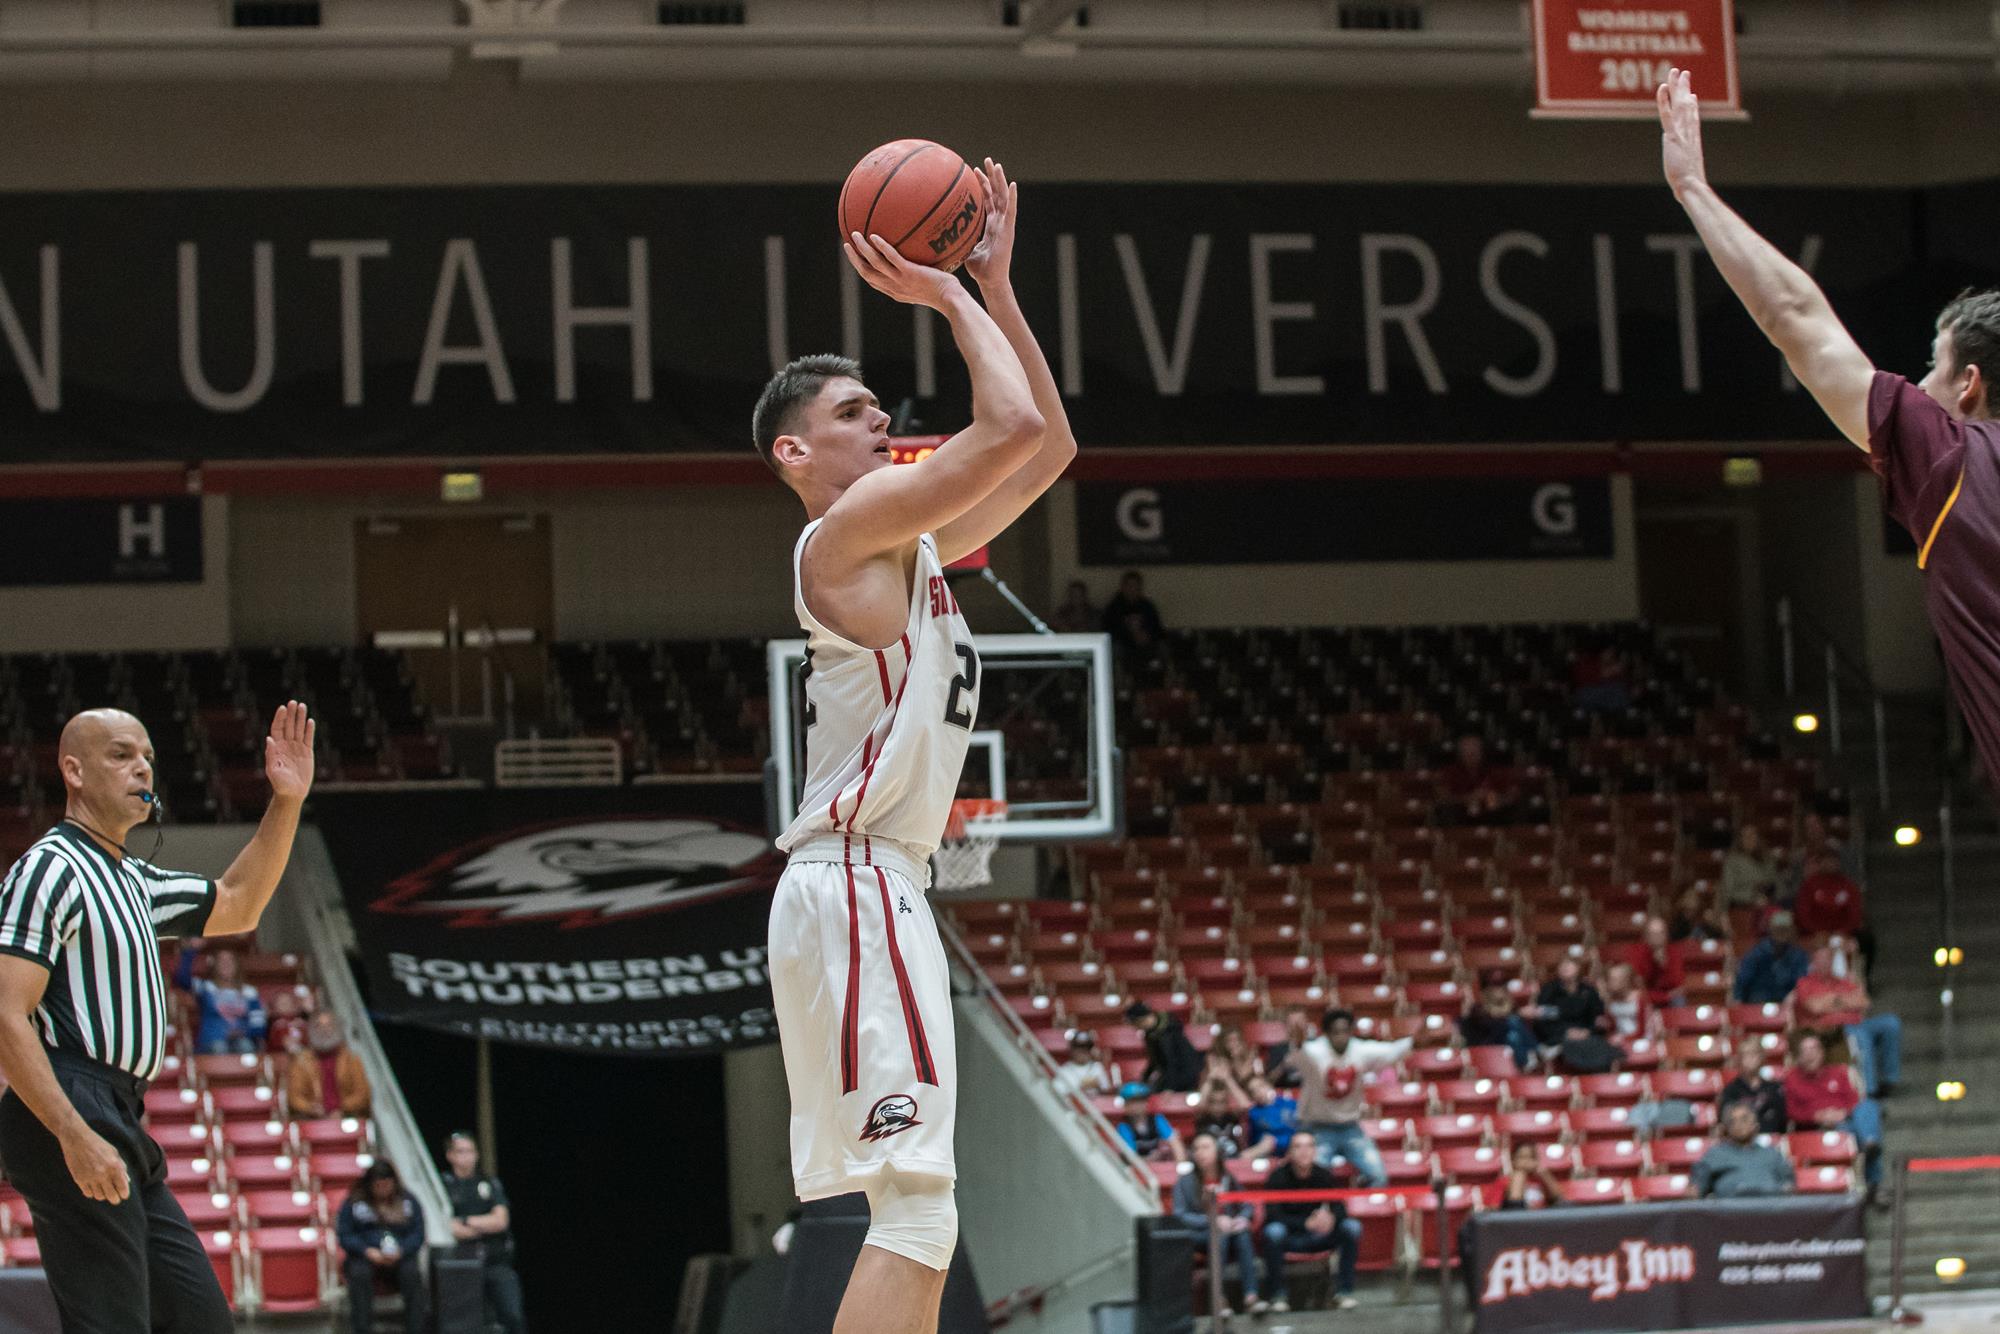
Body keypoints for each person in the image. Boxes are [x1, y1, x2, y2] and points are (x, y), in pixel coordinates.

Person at [758, 160, 1073, 1333]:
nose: (879, 418)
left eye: (877, 406)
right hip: (852, 880)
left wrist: (992, 282)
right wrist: (947, 294)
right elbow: (1007, 422)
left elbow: (1045, 447)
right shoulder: (840, 540)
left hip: (881, 883)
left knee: (919, 1212)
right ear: (794, 456)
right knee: (914, 1210)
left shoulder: (916, 551)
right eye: (849, 413)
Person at [1659, 68, 2000, 805]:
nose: (1921, 386)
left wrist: (1693, 188)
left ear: (1969, 386)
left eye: (1932, 369)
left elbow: (1795, 318)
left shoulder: (1952, 458)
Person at [0, 703, 314, 1334]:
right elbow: (6, 1014)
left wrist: (287, 800)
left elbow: (239, 903)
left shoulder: (133, 880)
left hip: (119, 1109)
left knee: (200, 1320)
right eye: (120, 755)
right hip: (70, 1099)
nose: (141, 767)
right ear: (74, 771)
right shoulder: (49, 868)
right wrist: (72, 1133)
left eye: (146, 756)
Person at [1285, 1008, 1411, 1185]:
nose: (1341, 1037)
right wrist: (1297, 1038)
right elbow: (1300, 1053)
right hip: (1317, 1128)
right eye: (1335, 1032)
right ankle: (1322, 1212)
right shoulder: (1316, 1050)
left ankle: (1361, 1210)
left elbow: (1392, 1051)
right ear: (1327, 1034)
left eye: (1345, 1031)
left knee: (1379, 1177)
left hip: (1350, 1128)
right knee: (1311, 1178)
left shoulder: (1360, 1049)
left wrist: (1415, 1041)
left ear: (1351, 1032)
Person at [1256, 1131, 1362, 1314]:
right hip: (1290, 1237)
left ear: (1315, 1151)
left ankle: (1344, 1292)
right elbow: (1272, 1215)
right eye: (1298, 1146)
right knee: (1273, 1232)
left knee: (1352, 1227)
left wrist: (1331, 1219)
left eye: (1309, 1146)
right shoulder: (1277, 1178)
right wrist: (1305, 1224)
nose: (1304, 1151)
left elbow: (1340, 1208)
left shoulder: (1324, 1175)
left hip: (1320, 1235)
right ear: (1289, 1152)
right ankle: (1278, 1295)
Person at [441, 1131, 527, 1334]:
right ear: (450, 1156)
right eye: (461, 1151)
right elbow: (449, 1228)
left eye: (471, 1151)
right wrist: (483, 1225)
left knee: (513, 1315)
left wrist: (466, 1220)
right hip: (459, 1265)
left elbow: (500, 1221)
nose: (467, 1156)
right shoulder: (443, 1185)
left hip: (496, 1262)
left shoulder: (489, 1183)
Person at [1171, 1132, 1263, 1317]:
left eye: (1206, 1147)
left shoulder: (1227, 1177)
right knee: (1218, 1236)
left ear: (1217, 1151)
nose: (1200, 1152)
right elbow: (1179, 1215)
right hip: (1200, 1234)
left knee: (1243, 1233)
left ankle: (1251, 1296)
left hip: (1229, 1232)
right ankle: (1218, 1299)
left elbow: (1246, 1204)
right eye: (1196, 1148)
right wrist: (1212, 1221)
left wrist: (1241, 1219)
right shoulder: (1185, 1181)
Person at [1783, 1033, 1884, 1195]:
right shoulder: (1791, 1078)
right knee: (1851, 1134)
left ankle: (1870, 1144)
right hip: (1813, 1128)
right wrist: (1817, 1116)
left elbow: (1853, 1100)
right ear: (1799, 1056)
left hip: (1845, 1120)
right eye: (1805, 1050)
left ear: (1822, 1053)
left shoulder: (1839, 1072)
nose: (1810, 1054)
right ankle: (1871, 1183)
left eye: (1814, 1049)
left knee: (1868, 1107)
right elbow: (1791, 1111)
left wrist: (1841, 1113)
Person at [1792, 948, 1902, 1097]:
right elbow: (1815, 1007)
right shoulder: (1805, 983)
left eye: (1828, 959)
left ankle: (1889, 1079)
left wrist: (1830, 1001)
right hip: (1828, 1029)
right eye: (1821, 959)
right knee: (1860, 1035)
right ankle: (1869, 1091)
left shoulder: (1843, 981)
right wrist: (1846, 1000)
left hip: (1856, 1023)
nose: (1825, 963)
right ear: (1813, 962)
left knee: (1891, 1023)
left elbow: (1864, 1002)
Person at [336, 1159, 429, 1334]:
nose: (383, 1189)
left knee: (412, 1273)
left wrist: (402, 1250)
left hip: (400, 1256)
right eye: (378, 1185)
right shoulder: (355, 1202)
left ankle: (415, 1329)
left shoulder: (408, 1201)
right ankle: (362, 1329)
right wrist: (366, 1251)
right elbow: (344, 1235)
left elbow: (418, 1234)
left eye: (387, 1184)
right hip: (365, 1256)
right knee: (359, 1274)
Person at [173, 945, 267, 1056]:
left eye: (230, 960)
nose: (226, 964)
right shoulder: (206, 987)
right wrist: (191, 949)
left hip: (242, 1041)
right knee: (219, 1047)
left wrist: (244, 1033)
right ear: (214, 965)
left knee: (245, 1045)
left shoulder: (249, 992)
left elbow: (258, 1023)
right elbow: (182, 979)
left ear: (237, 965)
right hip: (212, 1043)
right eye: (221, 960)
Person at [1693, 1102, 1795, 1199]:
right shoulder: (1714, 1154)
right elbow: (1695, 1191)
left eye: (1744, 1119)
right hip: (1729, 1211)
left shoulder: (1773, 1154)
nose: (1739, 1124)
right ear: (1726, 1128)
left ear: (1756, 1124)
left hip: (1770, 1210)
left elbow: (1788, 1186)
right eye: (1732, 1121)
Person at [286, 1009, 372, 1119]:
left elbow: (362, 1094)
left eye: (329, 1025)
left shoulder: (351, 1059)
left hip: (347, 1118)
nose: (324, 1030)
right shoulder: (300, 1061)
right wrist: (311, 1108)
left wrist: (341, 1109)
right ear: (311, 1030)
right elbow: (294, 1097)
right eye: (319, 1026)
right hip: (312, 1120)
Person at [1458, 971, 1537, 1073]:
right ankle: (1534, 1051)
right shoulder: (1477, 1009)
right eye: (1494, 987)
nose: (1498, 990)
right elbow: (1481, 1032)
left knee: (1513, 1034)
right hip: (1488, 1044)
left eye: (1501, 986)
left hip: (1507, 1043)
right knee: (1513, 1026)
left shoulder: (1511, 1005)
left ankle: (1528, 1058)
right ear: (1486, 990)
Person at [1439, 734, 1520, 826]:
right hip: (1460, 815)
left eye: (1474, 749)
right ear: (1460, 753)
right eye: (1467, 750)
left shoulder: (1495, 770)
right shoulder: (1450, 772)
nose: (1471, 754)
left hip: (1492, 815)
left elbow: (1513, 793)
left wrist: (1497, 799)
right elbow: (1443, 797)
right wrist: (1469, 798)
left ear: (1482, 751)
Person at [1124, 1001, 1203, 1093]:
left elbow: (1172, 1062)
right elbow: (1155, 1061)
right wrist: (1143, 1080)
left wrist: (1169, 1088)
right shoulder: (1151, 1034)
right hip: (1169, 1076)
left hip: (1185, 1077)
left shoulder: (1169, 1032)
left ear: (1142, 1020)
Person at [1529, 956, 1605, 1050]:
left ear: (1579, 968)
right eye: (1562, 964)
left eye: (1569, 964)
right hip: (1557, 1036)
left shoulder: (1588, 991)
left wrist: (1587, 1031)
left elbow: (1597, 1017)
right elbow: (1542, 1019)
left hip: (1585, 1035)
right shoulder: (1548, 990)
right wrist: (1566, 1032)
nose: (1565, 967)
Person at [1734, 912, 1810, 1005]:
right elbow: (1743, 979)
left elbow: (1802, 980)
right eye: (1778, 929)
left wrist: (1795, 994)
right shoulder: (1757, 953)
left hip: (1787, 999)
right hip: (1759, 999)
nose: (1781, 933)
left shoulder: (1799, 955)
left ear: (1791, 931)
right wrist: (1738, 998)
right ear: (1771, 930)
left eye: (1785, 929)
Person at [1720, 1045, 1789, 1135]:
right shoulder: (1731, 1090)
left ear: (1762, 1058)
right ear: (1739, 1060)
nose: (1750, 1059)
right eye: (1746, 1055)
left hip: (1770, 1141)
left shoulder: (1774, 1088)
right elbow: (1727, 1122)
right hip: (1739, 1143)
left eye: (1754, 1054)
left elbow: (1782, 1122)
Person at [1624, 917, 1686, 1008]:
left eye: (1661, 933)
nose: (1657, 938)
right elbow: (1639, 987)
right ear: (1646, 936)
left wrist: (1664, 964)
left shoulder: (1674, 953)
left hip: (1668, 998)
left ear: (1666, 935)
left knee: (1679, 999)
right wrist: (1665, 996)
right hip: (1648, 997)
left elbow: (1678, 986)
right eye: (1653, 934)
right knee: (1633, 998)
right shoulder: (1636, 952)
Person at [1114, 1085, 1184, 1163]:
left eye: (1140, 1102)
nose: (1137, 1106)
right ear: (1126, 1106)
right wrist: (1148, 1159)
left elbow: (1174, 1142)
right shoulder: (1124, 1126)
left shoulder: (1157, 1119)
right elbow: (1130, 1156)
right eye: (1132, 1102)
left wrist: (1180, 1164)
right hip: (1138, 1170)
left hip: (1159, 1165)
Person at [1721, 825, 1782, 911]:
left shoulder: (1768, 859)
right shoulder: (1732, 861)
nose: (1749, 839)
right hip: (1742, 906)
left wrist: (1768, 897)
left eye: (1752, 835)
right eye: (1745, 836)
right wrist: (1752, 897)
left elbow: (1776, 885)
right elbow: (1728, 892)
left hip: (1768, 904)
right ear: (1740, 840)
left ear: (1758, 837)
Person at [1101, 571, 1165, 652]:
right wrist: (1131, 635)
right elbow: (1108, 631)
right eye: (1130, 586)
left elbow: (1157, 628)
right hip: (1123, 646)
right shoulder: (1113, 608)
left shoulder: (1147, 606)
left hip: (1147, 644)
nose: (1133, 589)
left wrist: (1147, 636)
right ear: (1123, 587)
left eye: (1136, 586)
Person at [1241, 1074, 1300, 1159]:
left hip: (1292, 1148)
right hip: (1265, 1154)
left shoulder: (1291, 1104)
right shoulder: (1254, 1112)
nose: (1258, 1092)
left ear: (1269, 1085)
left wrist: (1275, 1141)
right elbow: (1256, 1139)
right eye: (1253, 1091)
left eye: (1260, 1086)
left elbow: (1297, 1129)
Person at [1496, 1141, 1563, 1210]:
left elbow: (1559, 1199)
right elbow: (1494, 1208)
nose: (1526, 1161)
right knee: (1518, 1176)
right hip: (1517, 1216)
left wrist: (1544, 1174)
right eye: (1522, 1157)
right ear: (1513, 1160)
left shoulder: (1541, 1179)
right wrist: (1519, 1177)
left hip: (1541, 1216)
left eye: (1531, 1157)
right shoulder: (1504, 1181)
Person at [1052, 1029, 1118, 1098]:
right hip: (1071, 1107)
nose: (1083, 1051)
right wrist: (1081, 1086)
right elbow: (1057, 1094)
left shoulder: (1097, 1067)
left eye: (1086, 1048)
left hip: (1095, 1106)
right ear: (1072, 1049)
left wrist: (1099, 1086)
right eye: (1079, 1047)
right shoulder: (1064, 1070)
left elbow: (1107, 1091)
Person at [1191, 1083, 1246, 1159]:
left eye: (1222, 1102)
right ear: (1208, 1104)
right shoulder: (1203, 1120)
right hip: (1209, 1161)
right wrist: (1210, 1079)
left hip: (1234, 1159)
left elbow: (1245, 1106)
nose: (1217, 1107)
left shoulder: (1232, 1118)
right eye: (1213, 1102)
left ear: (1227, 1103)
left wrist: (1228, 1079)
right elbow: (1199, 1107)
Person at [1599, 962, 1651, 1041]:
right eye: (1610, 979)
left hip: (1640, 1040)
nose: (1612, 983)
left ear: (1625, 980)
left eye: (1616, 979)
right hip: (1618, 1040)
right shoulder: (1610, 1000)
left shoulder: (1639, 999)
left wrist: (1624, 1038)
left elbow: (1643, 1030)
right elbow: (1612, 1027)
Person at [1205, 1024, 1265, 1089]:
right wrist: (1237, 1058)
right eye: (1230, 1040)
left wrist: (1251, 1057)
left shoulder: (1255, 1058)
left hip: (1252, 1093)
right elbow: (1241, 1077)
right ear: (1224, 1044)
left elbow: (1261, 1076)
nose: (1235, 1043)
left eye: (1237, 1039)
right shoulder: (1219, 1058)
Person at [1263, 1008, 1308, 1090]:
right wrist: (1283, 1066)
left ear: (1306, 1024)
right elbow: (1269, 1081)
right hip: (1287, 1093)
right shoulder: (1277, 1049)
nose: (1296, 1027)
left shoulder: (1318, 1046)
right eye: (1293, 1024)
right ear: (1286, 1026)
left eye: (1299, 1023)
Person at [266, 986, 309, 1055]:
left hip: (303, 1052)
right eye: (281, 1003)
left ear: (294, 1005)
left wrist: (300, 1038)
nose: (285, 1004)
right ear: (275, 1008)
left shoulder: (302, 1022)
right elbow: (275, 1040)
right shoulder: (276, 1024)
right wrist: (286, 1041)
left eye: (288, 1001)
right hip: (281, 1054)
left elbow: (308, 1037)